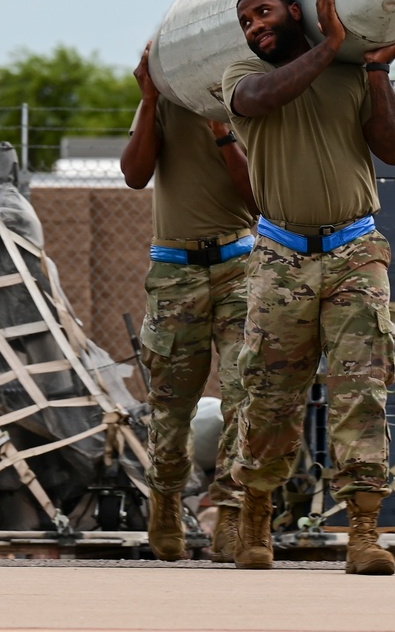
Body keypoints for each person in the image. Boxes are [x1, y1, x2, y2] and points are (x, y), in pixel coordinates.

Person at [220, 0, 395, 574]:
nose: (256, 26)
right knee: (270, 395)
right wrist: (331, 44)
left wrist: (377, 70)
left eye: (264, 12)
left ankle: (363, 534)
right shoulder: (241, 76)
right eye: (247, 21)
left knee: (362, 391)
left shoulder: (352, 74)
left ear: (294, 11)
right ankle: (257, 515)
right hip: (281, 259)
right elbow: (262, 98)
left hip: (356, 250)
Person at [121, 41, 258, 562]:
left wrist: (222, 130)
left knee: (245, 394)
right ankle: (165, 500)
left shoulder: (249, 98)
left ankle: (231, 512)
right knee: (172, 404)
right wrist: (149, 99)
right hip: (176, 271)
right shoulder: (165, 100)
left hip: (238, 266)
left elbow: (259, 199)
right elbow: (135, 174)